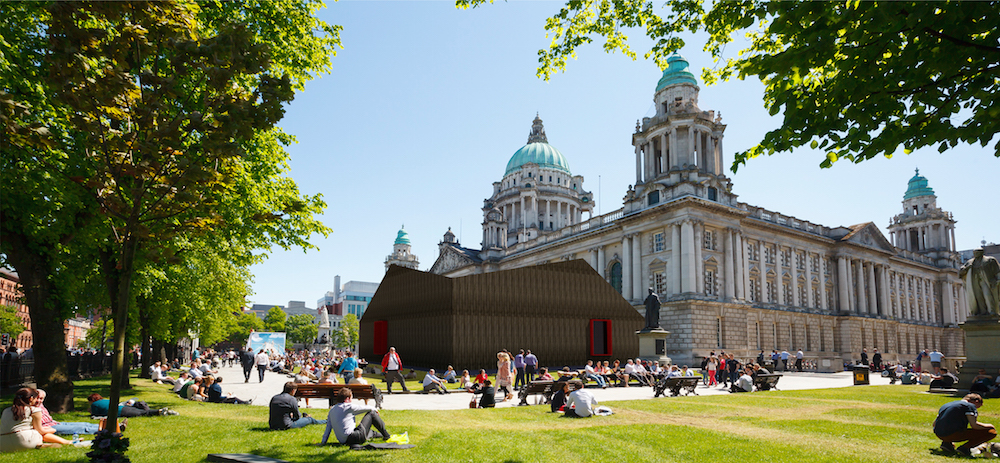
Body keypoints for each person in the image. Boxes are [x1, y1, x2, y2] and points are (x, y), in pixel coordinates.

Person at [319, 387, 390, 446]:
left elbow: (328, 428)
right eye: (351, 398)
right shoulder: (348, 407)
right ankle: (386, 435)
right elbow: (366, 408)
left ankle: (380, 435)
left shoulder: (332, 410)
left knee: (368, 431)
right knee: (372, 414)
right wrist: (375, 409)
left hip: (343, 441)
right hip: (353, 437)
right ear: (347, 399)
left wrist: (323, 442)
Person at [35, 389, 100, 436]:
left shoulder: (39, 404)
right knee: (82, 428)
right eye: (37, 398)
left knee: (85, 424)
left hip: (54, 423)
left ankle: (104, 426)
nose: (38, 400)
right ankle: (103, 430)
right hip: (48, 427)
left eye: (41, 398)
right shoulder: (31, 408)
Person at [959, 247, 1000, 316]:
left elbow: (997, 271)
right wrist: (966, 268)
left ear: (982, 252)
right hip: (974, 281)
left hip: (986, 281)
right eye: (974, 253)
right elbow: (961, 272)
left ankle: (992, 311)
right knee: (978, 297)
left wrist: (997, 280)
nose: (975, 254)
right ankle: (982, 312)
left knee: (987, 295)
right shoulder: (970, 262)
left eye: (977, 252)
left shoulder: (990, 260)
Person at [87, 393, 176, 417]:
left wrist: (90, 412)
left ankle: (160, 412)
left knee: (142, 413)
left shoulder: (94, 405)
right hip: (123, 407)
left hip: (120, 412)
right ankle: (160, 411)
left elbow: (96, 415)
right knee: (143, 412)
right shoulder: (106, 400)